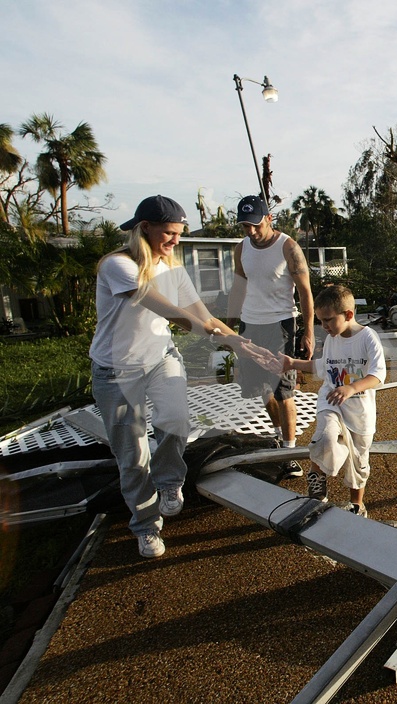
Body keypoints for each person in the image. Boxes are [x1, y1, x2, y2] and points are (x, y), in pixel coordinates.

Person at [91, 195, 274, 558]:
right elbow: (168, 311)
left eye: (179, 234)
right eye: (170, 233)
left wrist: (242, 344)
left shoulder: (173, 267)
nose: (176, 241)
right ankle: (145, 526)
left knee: (175, 420)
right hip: (116, 371)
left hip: (160, 358)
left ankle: (170, 481)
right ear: (145, 228)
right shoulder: (117, 265)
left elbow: (204, 316)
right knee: (132, 455)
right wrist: (221, 338)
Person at [276, 285, 385, 515]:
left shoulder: (368, 338)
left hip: (360, 411)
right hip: (332, 402)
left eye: (328, 321)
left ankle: (357, 504)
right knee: (324, 437)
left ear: (348, 315)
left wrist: (351, 388)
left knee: (359, 462)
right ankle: (317, 485)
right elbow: (322, 367)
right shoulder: (332, 338)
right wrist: (293, 363)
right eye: (320, 322)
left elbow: (378, 375)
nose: (324, 327)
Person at [227, 195, 314, 477]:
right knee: (262, 389)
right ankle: (277, 434)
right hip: (249, 326)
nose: (251, 231)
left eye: (255, 225)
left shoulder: (288, 247)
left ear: (268, 218)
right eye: (245, 226)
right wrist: (230, 329)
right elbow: (238, 289)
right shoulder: (241, 249)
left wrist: (308, 331)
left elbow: (304, 292)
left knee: (283, 390)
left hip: (280, 325)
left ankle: (289, 453)